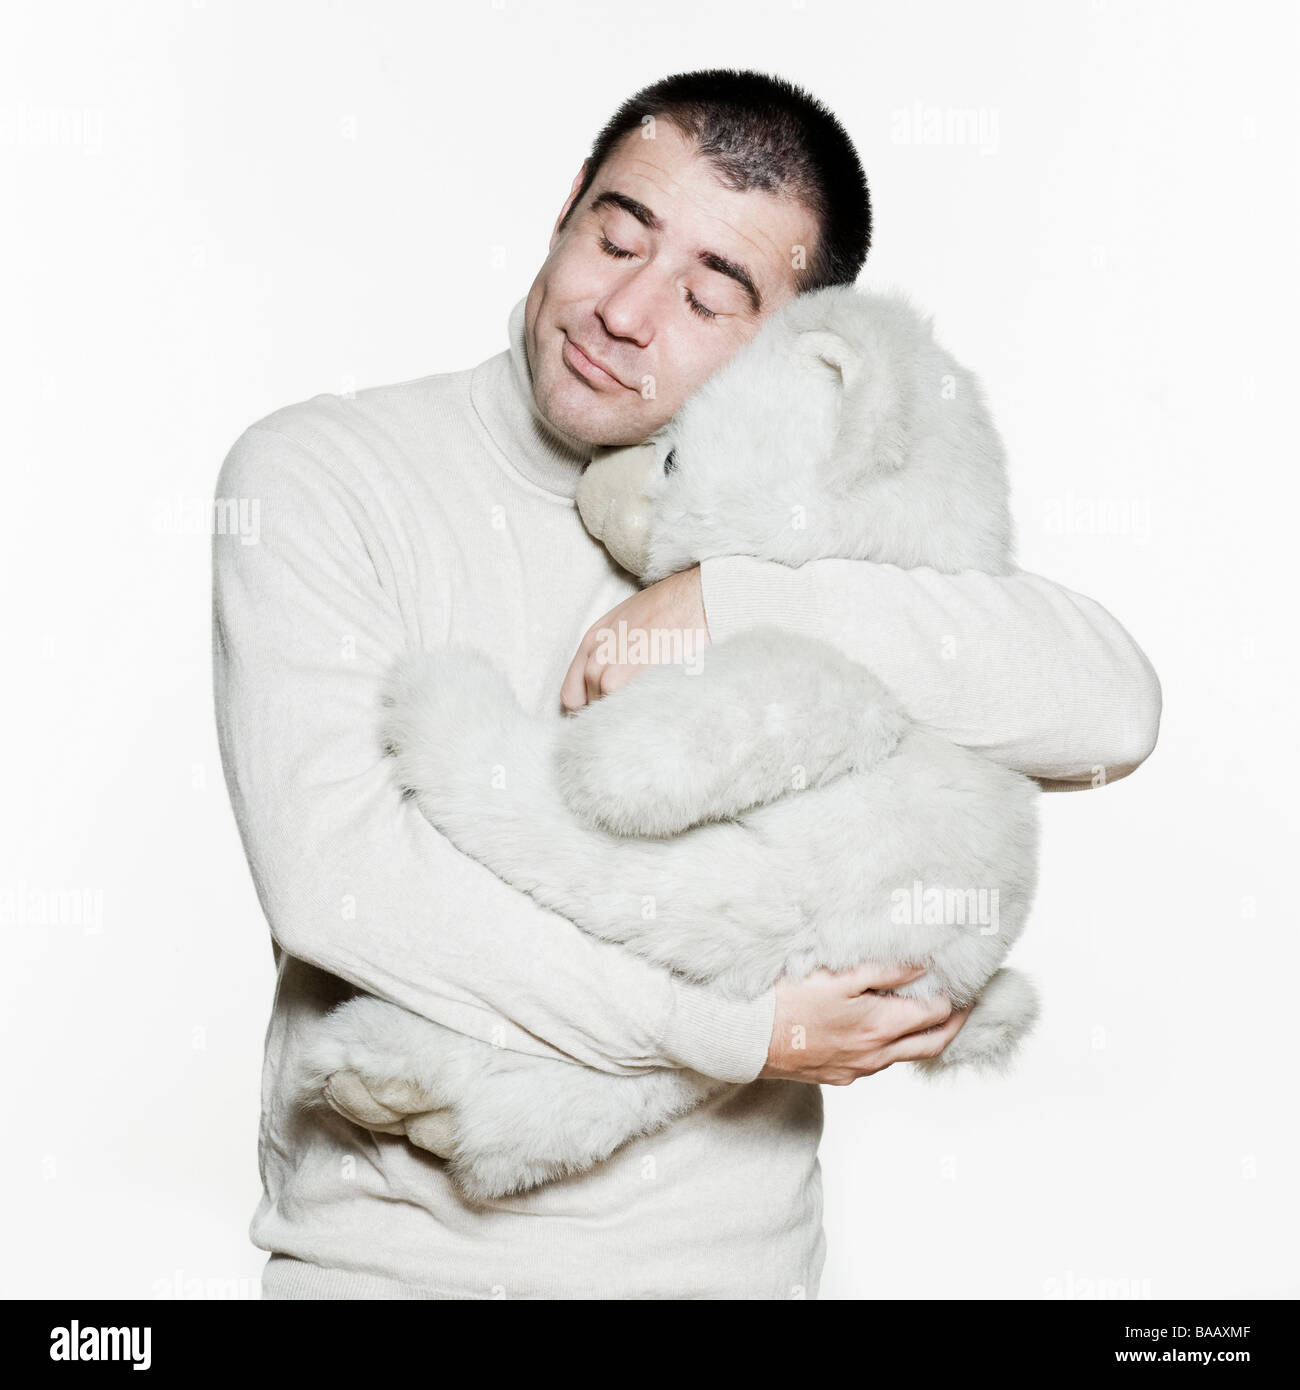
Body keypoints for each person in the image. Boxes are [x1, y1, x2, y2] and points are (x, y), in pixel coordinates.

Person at [211, 68, 1161, 1300]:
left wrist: (736, 598)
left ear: (794, 345)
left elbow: (1111, 706)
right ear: (565, 209)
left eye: (710, 296)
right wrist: (735, 1032)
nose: (624, 310)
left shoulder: (792, 520)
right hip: (390, 1272)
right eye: (617, 237)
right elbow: (340, 881)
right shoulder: (322, 472)